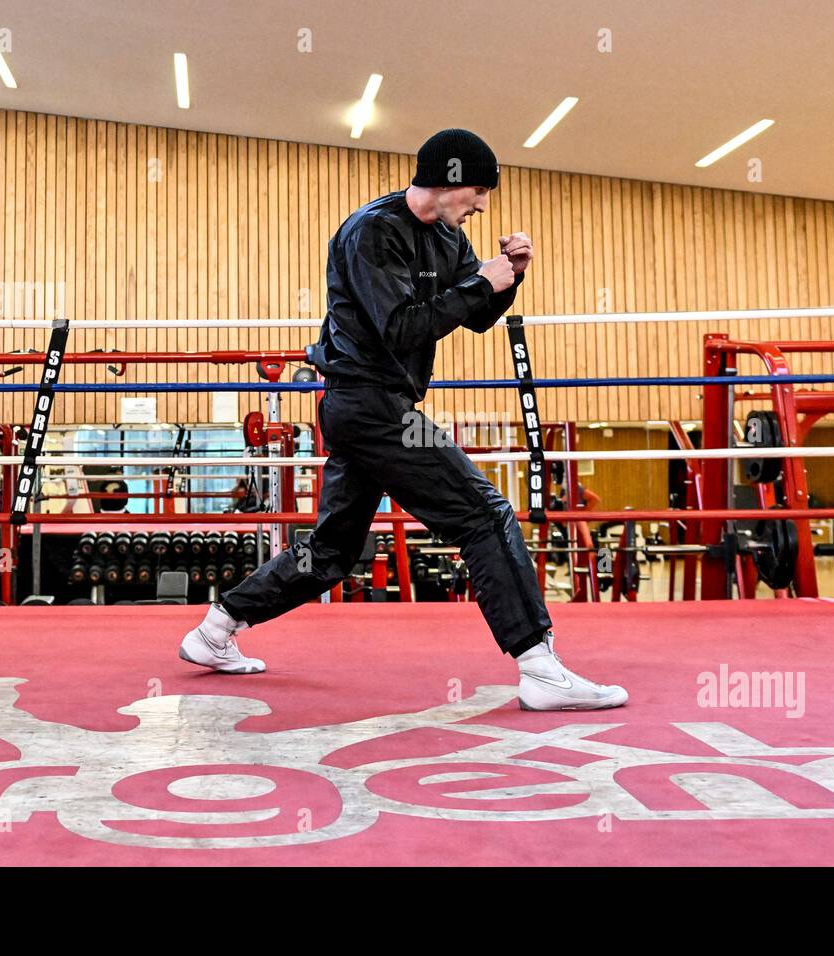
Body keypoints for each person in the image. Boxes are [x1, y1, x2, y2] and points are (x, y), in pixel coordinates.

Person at [178, 129, 626, 711]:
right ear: (449, 180)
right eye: (479, 191)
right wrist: (479, 283)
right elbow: (401, 328)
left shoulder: (448, 235)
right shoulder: (371, 231)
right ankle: (538, 667)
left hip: (376, 409)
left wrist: (510, 275)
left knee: (333, 551)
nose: (483, 205)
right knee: (484, 513)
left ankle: (215, 630)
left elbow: (477, 314)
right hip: (369, 404)